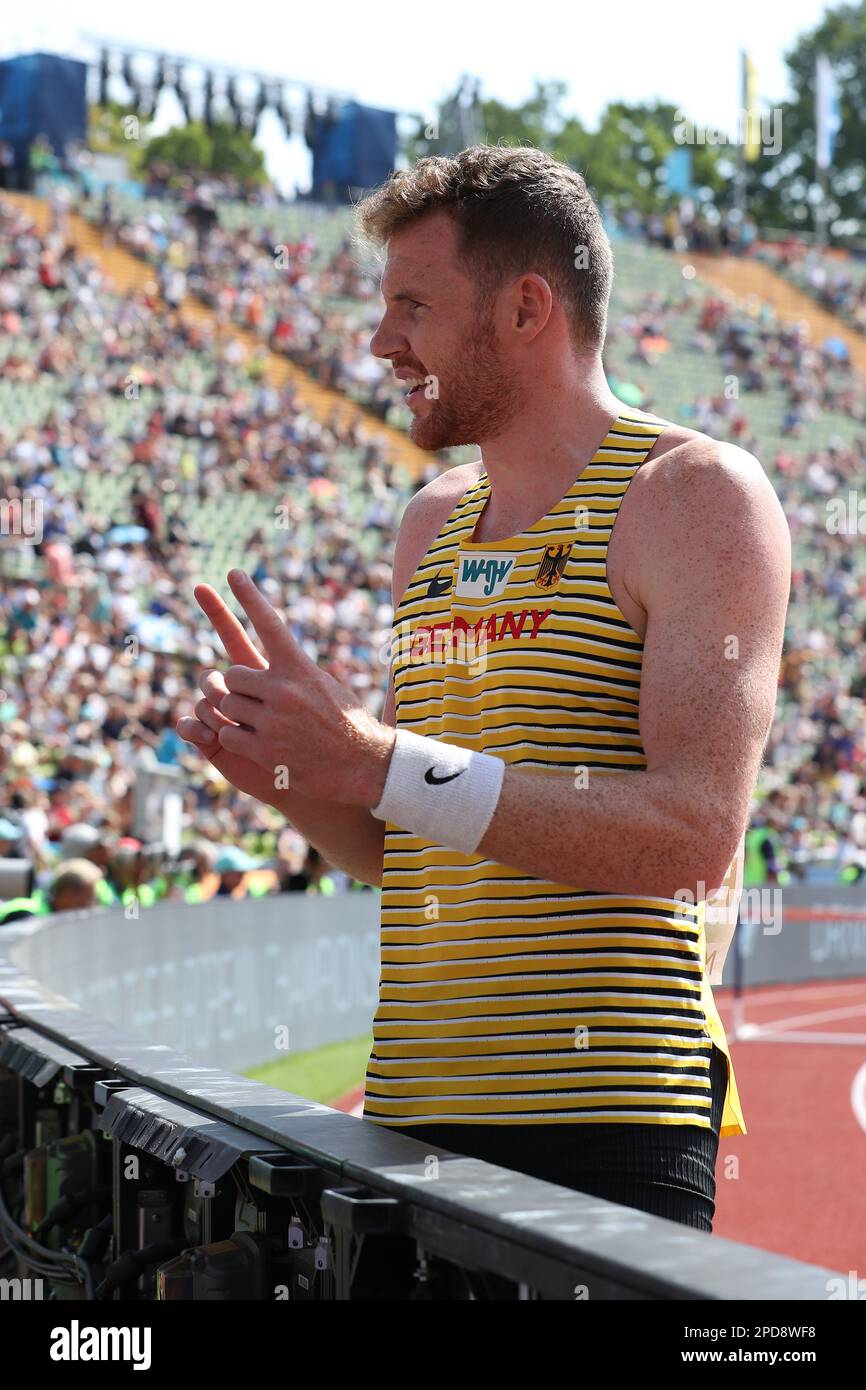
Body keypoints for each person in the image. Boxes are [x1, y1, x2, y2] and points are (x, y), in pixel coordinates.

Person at [178, 144, 791, 1234]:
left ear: (524, 307)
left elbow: (691, 832)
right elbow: (408, 836)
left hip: (603, 1128)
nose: (379, 341)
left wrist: (375, 760)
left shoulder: (691, 495)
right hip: (405, 1121)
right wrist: (293, 770)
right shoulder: (431, 522)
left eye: (412, 303)